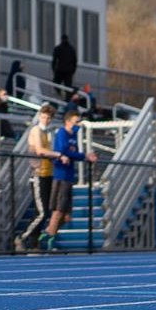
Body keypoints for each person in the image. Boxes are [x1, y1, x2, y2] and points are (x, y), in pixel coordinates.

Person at [40, 107, 94, 250]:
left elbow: (73, 153)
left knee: (67, 216)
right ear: (68, 122)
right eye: (76, 122)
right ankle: (50, 239)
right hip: (61, 175)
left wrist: (83, 156)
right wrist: (83, 156)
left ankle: (47, 233)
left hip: (69, 176)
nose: (78, 125)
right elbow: (63, 151)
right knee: (58, 209)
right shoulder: (62, 133)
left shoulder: (73, 136)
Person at [17, 104, 57, 250]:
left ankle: (34, 243)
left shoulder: (48, 133)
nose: (45, 120)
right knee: (42, 212)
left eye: (48, 118)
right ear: (39, 116)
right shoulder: (36, 131)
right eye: (43, 117)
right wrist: (58, 154)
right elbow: (40, 150)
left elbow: (50, 151)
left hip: (48, 174)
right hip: (38, 174)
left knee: (43, 211)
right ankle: (22, 237)